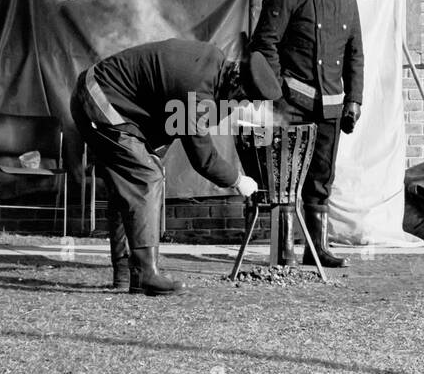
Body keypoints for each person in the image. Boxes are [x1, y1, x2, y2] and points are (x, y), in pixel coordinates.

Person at [71, 39, 282, 296]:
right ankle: (147, 274)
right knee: (145, 176)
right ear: (236, 82)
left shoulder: (213, 65)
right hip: (98, 98)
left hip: (111, 102)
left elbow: (171, 125)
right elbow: (202, 157)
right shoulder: (195, 90)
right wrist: (237, 180)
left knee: (129, 184)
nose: (245, 105)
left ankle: (128, 273)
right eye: (246, 98)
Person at [249, 0, 365, 269]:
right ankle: (284, 251)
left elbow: (355, 53)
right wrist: (276, 96)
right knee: (285, 178)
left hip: (331, 106)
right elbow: (263, 45)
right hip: (291, 104)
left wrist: (354, 100)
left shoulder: (348, 0)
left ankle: (317, 250)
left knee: (320, 179)